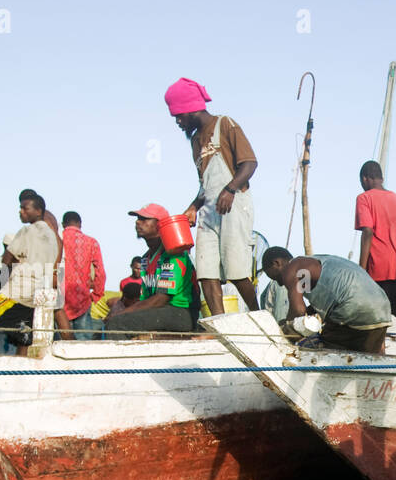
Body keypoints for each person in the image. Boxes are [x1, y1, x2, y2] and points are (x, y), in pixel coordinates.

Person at [166, 77, 258, 316]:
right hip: (209, 210)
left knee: (236, 270)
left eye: (179, 116)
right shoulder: (195, 141)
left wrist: (230, 189)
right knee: (206, 271)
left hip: (233, 205)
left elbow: (249, 163)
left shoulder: (224, 124)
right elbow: (204, 184)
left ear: (190, 108)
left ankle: (259, 314)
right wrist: (193, 206)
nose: (177, 122)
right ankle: (220, 324)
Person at [0, 191, 61, 355]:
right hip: (37, 293)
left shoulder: (26, 231)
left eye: (25, 208)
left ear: (38, 211)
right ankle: (19, 372)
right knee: (24, 336)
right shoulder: (52, 237)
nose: (21, 212)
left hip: (17, 291)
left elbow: (6, 260)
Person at [260, 247, 392, 354]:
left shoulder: (291, 269)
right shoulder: (309, 265)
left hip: (354, 305)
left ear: (276, 263)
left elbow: (298, 311)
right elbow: (310, 307)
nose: (280, 284)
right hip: (382, 308)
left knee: (322, 349)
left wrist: (282, 333)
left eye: (275, 278)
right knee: (368, 360)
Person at [355, 160, 396, 355]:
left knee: (378, 319)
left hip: (380, 267)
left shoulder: (364, 198)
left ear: (365, 179)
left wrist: (361, 268)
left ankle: (380, 360)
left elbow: (367, 231)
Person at [104, 204, 197, 337]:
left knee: (118, 323)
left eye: (144, 219)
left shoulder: (172, 255)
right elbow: (145, 300)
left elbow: (161, 299)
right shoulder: (146, 259)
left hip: (181, 312)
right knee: (117, 320)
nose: (137, 222)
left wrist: (121, 313)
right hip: (163, 311)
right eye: (138, 218)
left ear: (160, 225)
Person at [59, 211, 106, 339]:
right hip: (82, 299)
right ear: (80, 224)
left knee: (58, 344)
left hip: (60, 300)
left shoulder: (58, 239)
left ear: (63, 224)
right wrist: (96, 294)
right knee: (83, 346)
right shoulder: (91, 242)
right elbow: (100, 272)